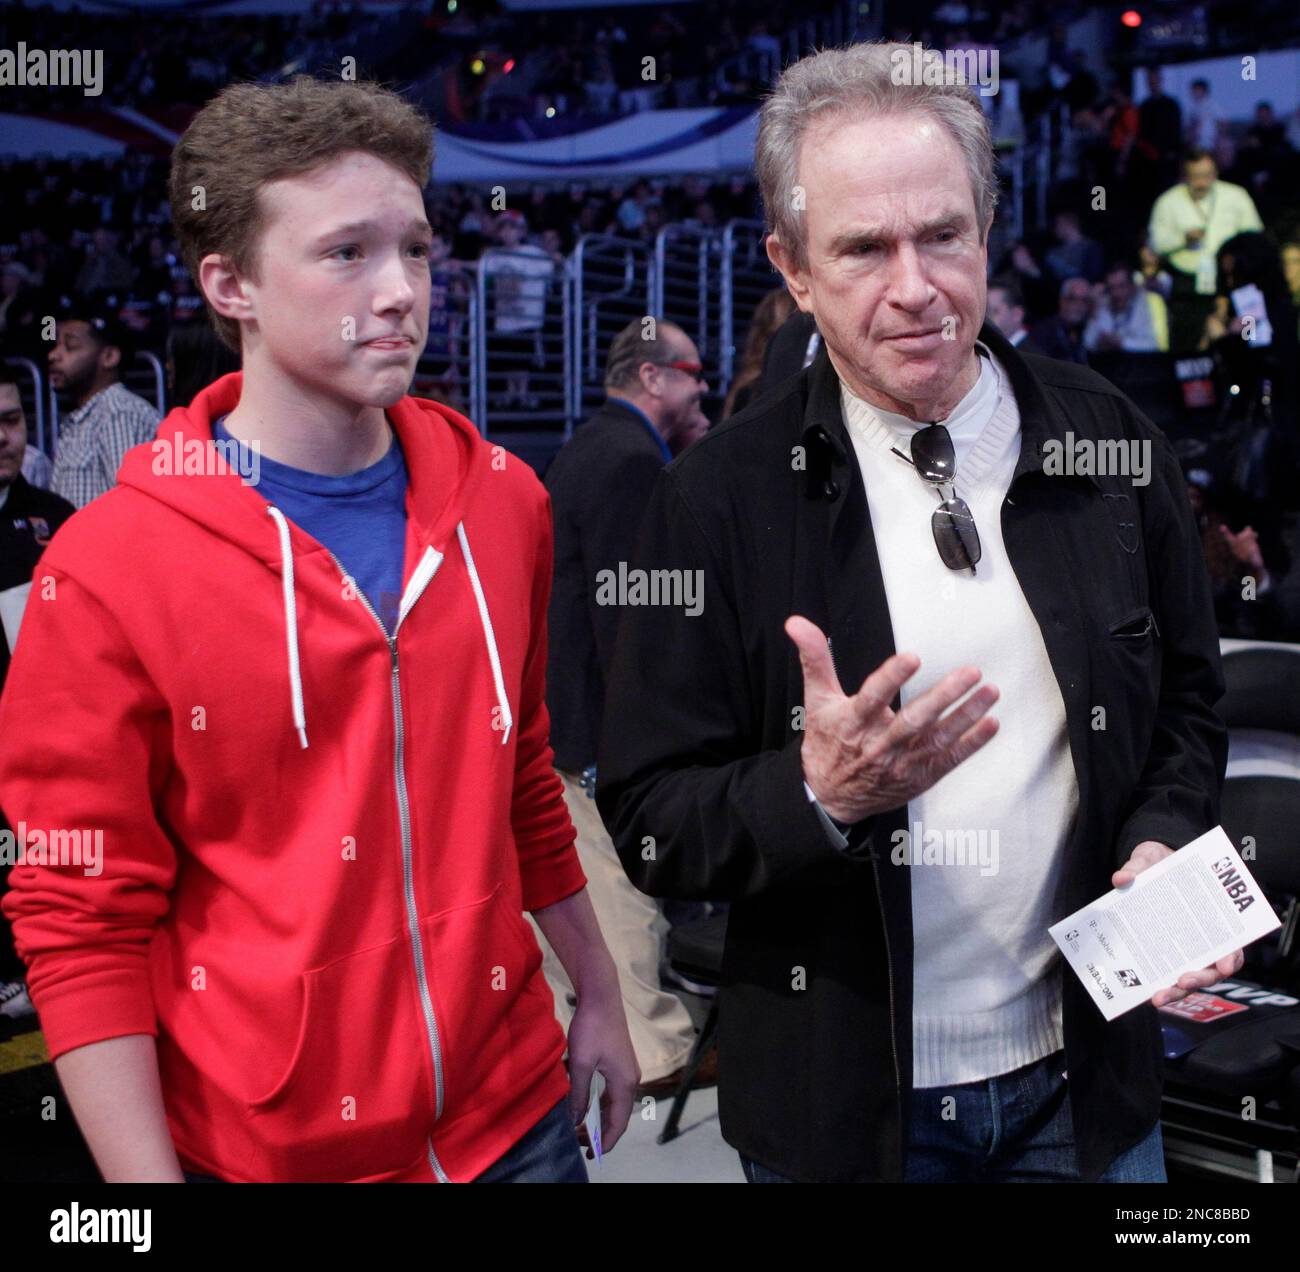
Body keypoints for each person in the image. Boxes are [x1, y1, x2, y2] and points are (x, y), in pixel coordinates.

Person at [597, 40, 1235, 1185]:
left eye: (942, 234)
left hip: (1090, 1090)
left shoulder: (1106, 439)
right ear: (791, 268)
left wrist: (1159, 843)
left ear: (987, 227)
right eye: (862, 248)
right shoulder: (714, 500)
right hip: (847, 1114)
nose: (914, 285)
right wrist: (814, 795)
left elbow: (1186, 704)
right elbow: (649, 820)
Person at [0, 76, 636, 1185]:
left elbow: (524, 784)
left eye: (418, 251)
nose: (400, 292)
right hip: (271, 1157)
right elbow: (80, 916)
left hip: (517, 1119)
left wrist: (603, 998)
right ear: (230, 283)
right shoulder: (104, 573)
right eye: (346, 254)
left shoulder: (503, 503)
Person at [537, 319, 714, 1101]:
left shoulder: (598, 444)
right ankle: (657, 1048)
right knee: (618, 883)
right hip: (592, 716)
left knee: (580, 878)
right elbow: (625, 614)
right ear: (651, 377)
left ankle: (575, 1031)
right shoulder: (629, 459)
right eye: (691, 372)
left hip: (564, 709)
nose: (702, 386)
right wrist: (632, 731)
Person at [0, 374, 75, 1020]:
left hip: (40, 730)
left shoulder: (57, 518)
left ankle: (33, 972)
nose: (4, 436)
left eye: (14, 420)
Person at [1148, 148, 1263, 352]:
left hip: (1233, 283)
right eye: (1195, 176)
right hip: (1187, 286)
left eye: (1207, 175)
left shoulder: (1236, 196)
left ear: (1216, 172)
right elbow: (1156, 243)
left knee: (1246, 341)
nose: (1202, 182)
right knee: (1190, 346)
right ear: (1184, 176)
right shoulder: (1168, 202)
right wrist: (1182, 238)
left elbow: (1255, 237)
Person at [47, 303, 161, 508]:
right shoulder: (86, 416)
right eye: (55, 345)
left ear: (109, 357)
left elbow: (130, 506)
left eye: (70, 346)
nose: (53, 355)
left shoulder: (119, 413)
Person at [1084, 260, 1169, 353]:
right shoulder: (1103, 302)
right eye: (1112, 287)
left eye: (1121, 286)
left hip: (1141, 363)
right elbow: (1088, 343)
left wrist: (1121, 343)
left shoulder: (1150, 302)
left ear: (1132, 285)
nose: (1116, 293)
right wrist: (1093, 311)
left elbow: (1155, 345)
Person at [1023, 277, 1092, 364]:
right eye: (1072, 299)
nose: (1079, 305)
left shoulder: (1086, 329)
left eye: (1084, 300)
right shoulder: (1044, 331)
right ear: (1062, 301)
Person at [985, 276, 1029, 346]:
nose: (986, 318)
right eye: (985, 312)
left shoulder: (1034, 354)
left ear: (1017, 315)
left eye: (995, 311)